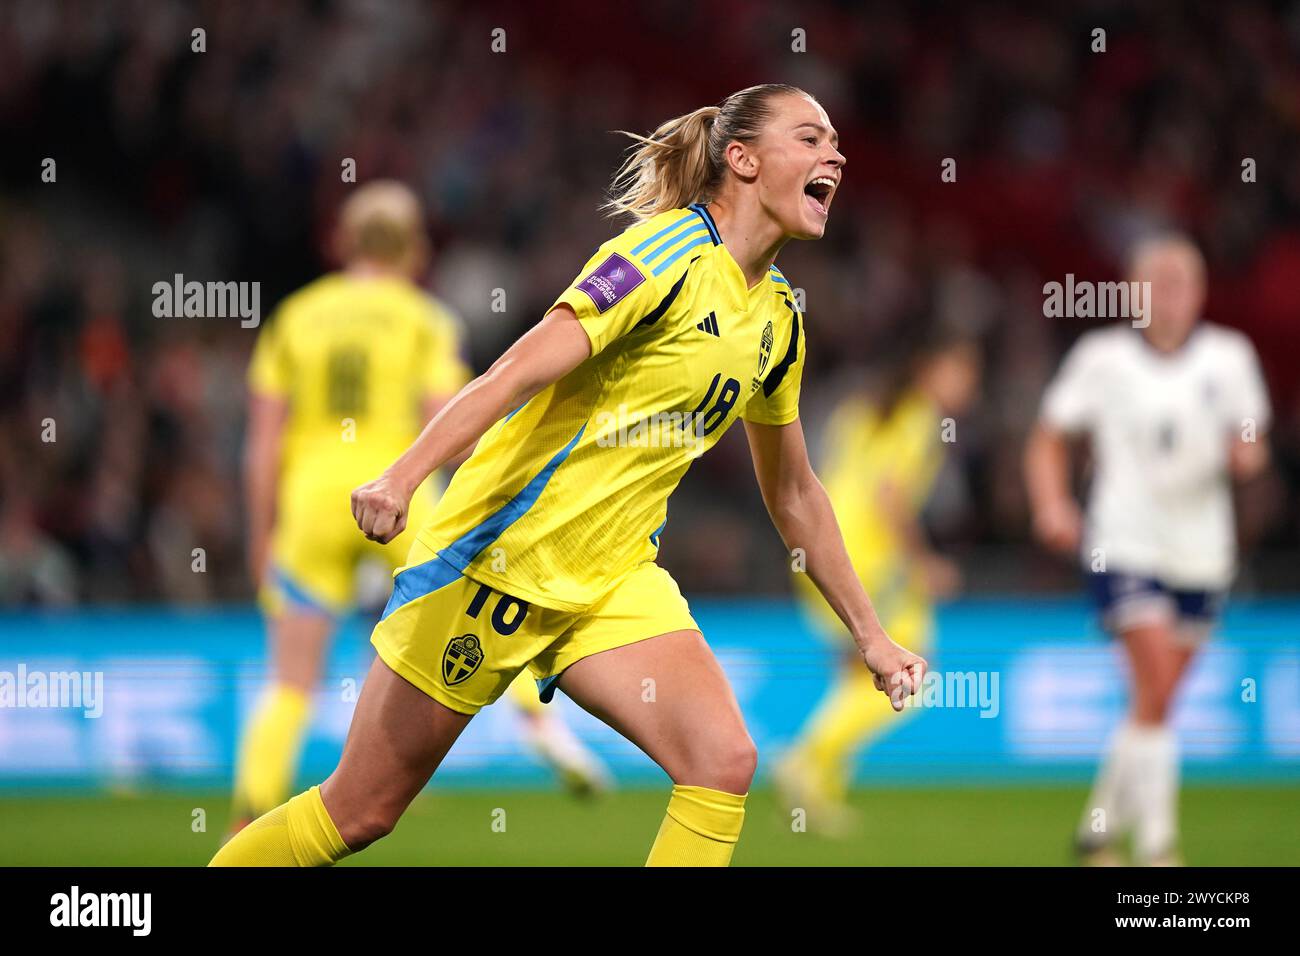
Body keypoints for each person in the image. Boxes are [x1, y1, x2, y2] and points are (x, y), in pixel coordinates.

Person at [212, 83, 925, 868]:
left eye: (835, 142)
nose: (837, 155)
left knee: (722, 762)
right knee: (360, 813)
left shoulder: (779, 319)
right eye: (811, 138)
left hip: (613, 577)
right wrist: (402, 476)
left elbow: (794, 492)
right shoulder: (662, 256)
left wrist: (872, 636)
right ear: (743, 158)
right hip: (496, 561)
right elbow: (516, 369)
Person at [233, 181, 608, 836]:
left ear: (344, 242)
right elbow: (453, 418)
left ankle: (247, 822)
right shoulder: (425, 319)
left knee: (290, 681)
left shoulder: (295, 317)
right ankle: (537, 720)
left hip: (313, 501)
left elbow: (261, 445)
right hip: (399, 491)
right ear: (414, 249)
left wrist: (260, 535)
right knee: (486, 601)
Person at [1024, 234, 1271, 866]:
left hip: (1201, 551)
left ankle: (1095, 837)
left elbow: (1252, 437)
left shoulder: (1229, 357)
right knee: (1156, 686)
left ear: (1202, 290)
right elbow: (1048, 438)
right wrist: (1053, 505)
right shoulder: (1103, 358)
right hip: (1123, 543)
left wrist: (1247, 452)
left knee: (1152, 704)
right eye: (1156, 280)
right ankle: (1159, 850)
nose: (1169, 293)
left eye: (1181, 280)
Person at [778, 333, 980, 834]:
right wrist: (922, 562)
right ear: (931, 368)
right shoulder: (919, 418)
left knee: (858, 674)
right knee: (912, 673)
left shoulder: (862, 408)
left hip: (817, 547)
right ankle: (806, 758)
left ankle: (818, 792)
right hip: (866, 558)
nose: (968, 385)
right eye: (961, 371)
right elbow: (889, 496)